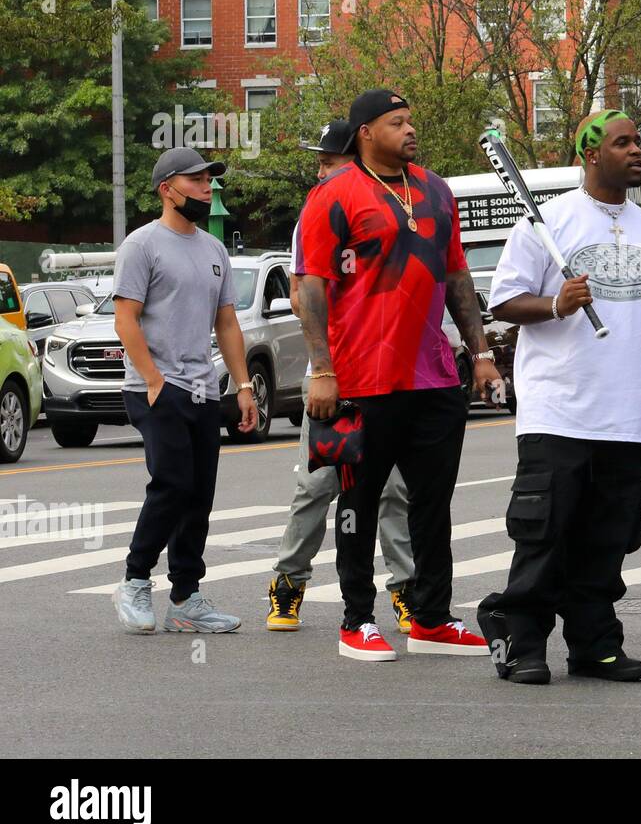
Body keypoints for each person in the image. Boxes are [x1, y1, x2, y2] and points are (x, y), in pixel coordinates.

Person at [477, 110, 641, 685]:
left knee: (609, 536)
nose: (637, 150)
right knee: (544, 532)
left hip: (624, 415)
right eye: (623, 142)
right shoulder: (548, 223)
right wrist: (556, 304)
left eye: (639, 141)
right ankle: (518, 638)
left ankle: (594, 643)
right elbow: (502, 302)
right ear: (591, 154)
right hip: (559, 409)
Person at [298, 88, 502, 662]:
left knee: (433, 504)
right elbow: (310, 285)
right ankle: (356, 620)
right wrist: (322, 369)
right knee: (358, 504)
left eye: (412, 120)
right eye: (397, 122)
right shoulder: (333, 196)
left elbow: (457, 275)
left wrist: (479, 352)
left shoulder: (437, 189)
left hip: (434, 378)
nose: (410, 130)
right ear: (365, 131)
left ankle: (432, 619)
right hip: (361, 379)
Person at [266, 121, 416, 634]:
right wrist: (322, 369)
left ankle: (406, 589)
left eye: (330, 161)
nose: (321, 170)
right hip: (335, 377)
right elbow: (302, 292)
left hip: (392, 378)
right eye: (321, 162)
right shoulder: (317, 212)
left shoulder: (396, 208)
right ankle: (288, 585)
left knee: (394, 490)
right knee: (318, 484)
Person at [111, 147, 257, 634]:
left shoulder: (213, 249)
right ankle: (134, 580)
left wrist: (242, 387)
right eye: (195, 180)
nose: (206, 188)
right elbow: (125, 319)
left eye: (209, 180)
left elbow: (228, 322)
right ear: (166, 189)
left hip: (202, 389)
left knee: (199, 494)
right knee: (171, 484)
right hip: (155, 387)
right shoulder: (142, 245)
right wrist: (153, 380)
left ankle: (186, 596)